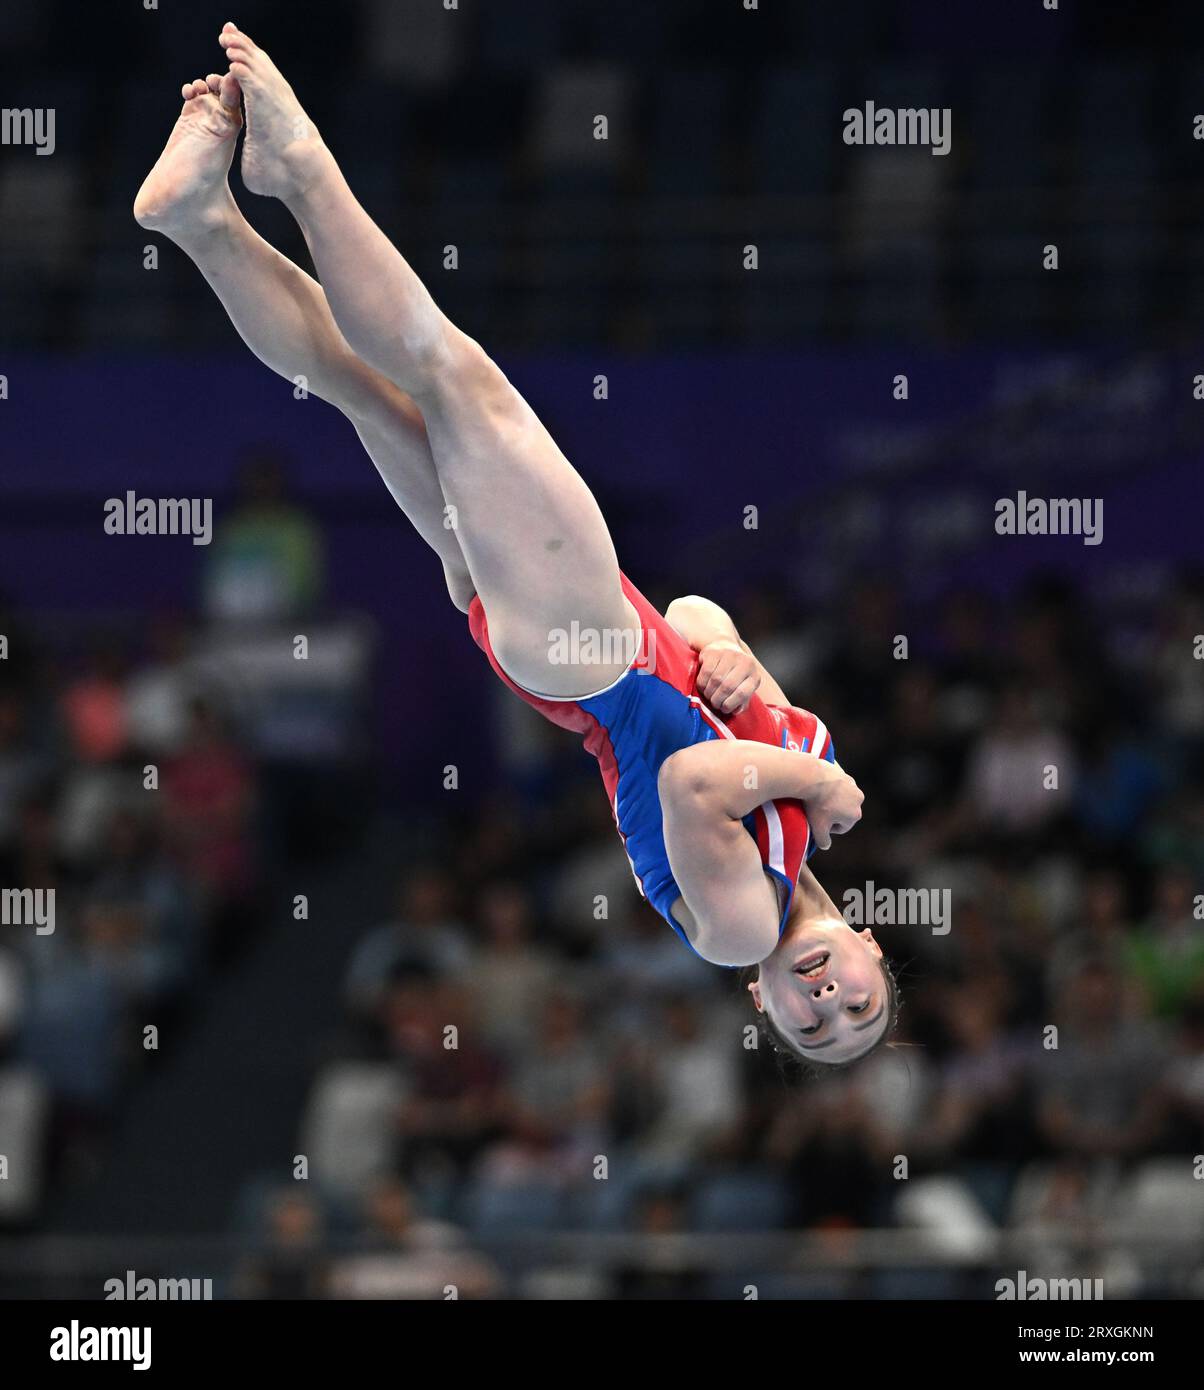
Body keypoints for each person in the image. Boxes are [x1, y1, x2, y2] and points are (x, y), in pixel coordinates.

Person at [133, 24, 890, 1065]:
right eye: (860, 1004)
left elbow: (688, 786)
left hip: (590, 655)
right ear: (873, 947)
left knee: (452, 371)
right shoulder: (794, 816)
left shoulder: (739, 929)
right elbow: (700, 626)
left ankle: (299, 171)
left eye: (813, 1031)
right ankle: (203, 222)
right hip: (591, 633)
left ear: (763, 1009)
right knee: (370, 393)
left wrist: (822, 782)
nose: (827, 1005)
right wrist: (736, 659)